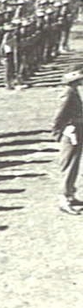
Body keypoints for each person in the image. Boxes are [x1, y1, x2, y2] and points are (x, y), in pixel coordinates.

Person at [52, 66, 83, 215]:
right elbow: (59, 114)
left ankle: (70, 194)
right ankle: (63, 199)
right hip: (71, 131)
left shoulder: (73, 91)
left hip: (76, 129)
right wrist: (58, 131)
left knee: (75, 163)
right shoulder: (68, 92)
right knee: (69, 164)